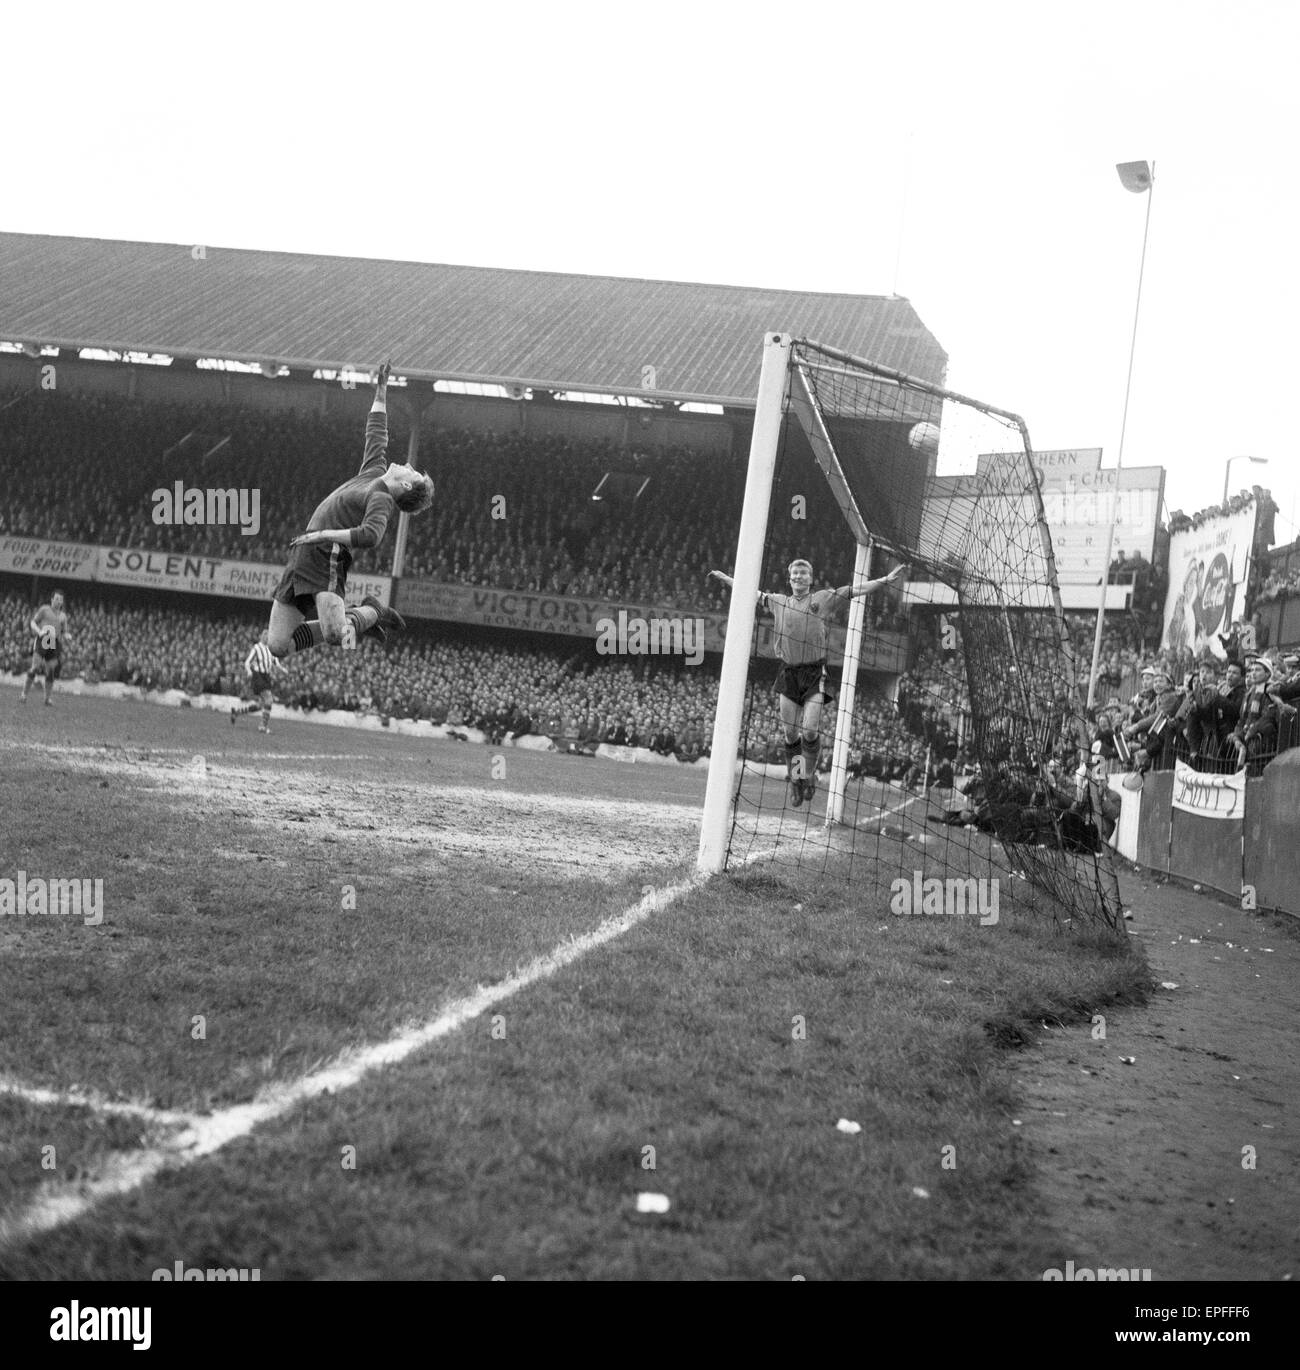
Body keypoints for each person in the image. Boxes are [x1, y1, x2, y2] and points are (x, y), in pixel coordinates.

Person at [267, 361, 433, 661]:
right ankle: (358, 619)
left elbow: (371, 536)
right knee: (277, 646)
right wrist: (381, 390)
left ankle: (370, 612)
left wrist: (322, 534)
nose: (408, 465)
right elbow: (376, 432)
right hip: (305, 550)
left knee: (336, 635)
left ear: (406, 487)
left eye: (413, 473)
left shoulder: (381, 498)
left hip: (326, 554)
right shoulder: (375, 471)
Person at [708, 557, 905, 808]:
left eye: (803, 573)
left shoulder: (822, 599)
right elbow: (750, 592)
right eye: (794, 574)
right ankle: (796, 780)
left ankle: (808, 776)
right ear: (789, 579)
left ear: (810, 579)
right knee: (791, 733)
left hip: (814, 673)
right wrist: (726, 579)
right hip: (788, 672)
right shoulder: (778, 602)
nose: (799, 577)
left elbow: (856, 589)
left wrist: (885, 581)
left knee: (810, 730)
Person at [231, 629, 286, 733]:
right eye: (265, 635)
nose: (267, 637)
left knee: (261, 705)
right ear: (262, 636)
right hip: (258, 676)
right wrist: (249, 671)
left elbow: (276, 663)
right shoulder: (257, 648)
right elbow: (247, 662)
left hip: (266, 677)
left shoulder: (271, 649)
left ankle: (236, 712)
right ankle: (263, 726)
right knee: (269, 699)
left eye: (268, 636)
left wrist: (283, 670)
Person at [21, 590, 69, 706]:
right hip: (43, 640)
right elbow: (33, 622)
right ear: (52, 599)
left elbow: (64, 632)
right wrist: (39, 631)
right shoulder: (44, 609)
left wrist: (67, 635)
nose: (58, 602)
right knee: (35, 668)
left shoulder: (63, 616)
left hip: (54, 643)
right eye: (56, 599)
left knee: (51, 670)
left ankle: (47, 699)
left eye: (60, 600)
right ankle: (24, 694)